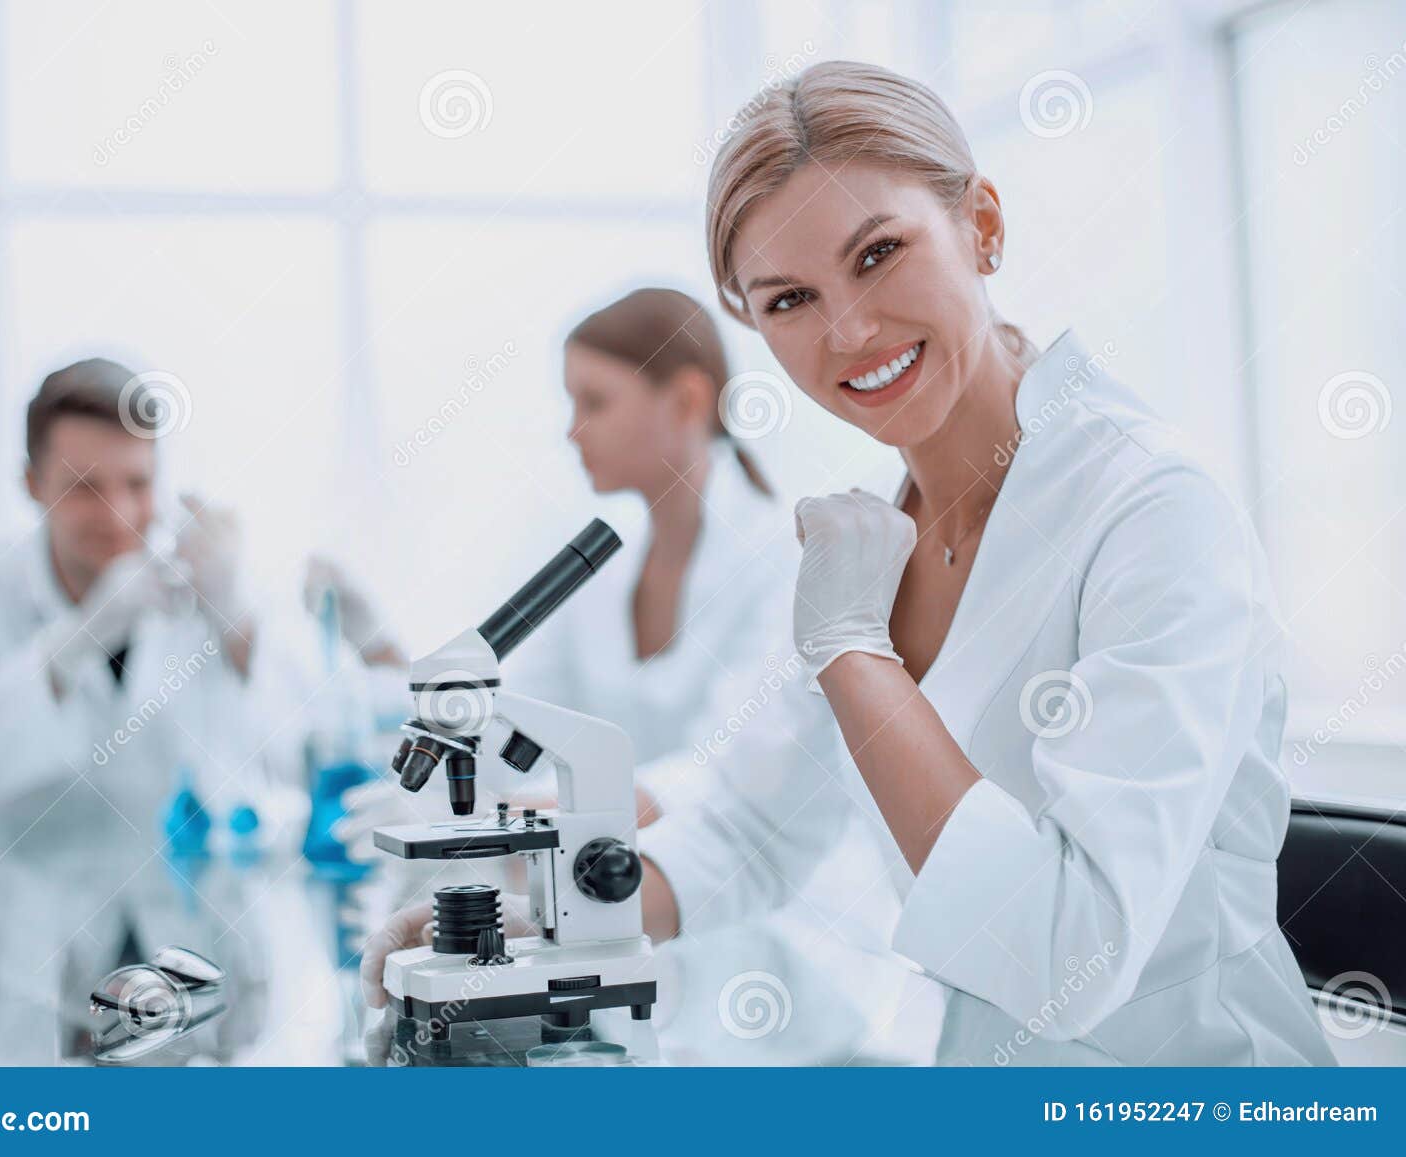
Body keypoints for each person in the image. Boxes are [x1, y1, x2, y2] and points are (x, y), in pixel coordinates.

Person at [367, 62, 1335, 1066]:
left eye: (879, 252)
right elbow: (746, 828)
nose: (848, 332)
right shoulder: (872, 536)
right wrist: (529, 933)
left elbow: (1066, 953)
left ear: (983, 226)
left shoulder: (1149, 509)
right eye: (788, 299)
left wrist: (851, 652)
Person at [356, 289, 937, 1062]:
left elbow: (729, 777)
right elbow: (517, 722)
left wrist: (529, 818)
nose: (571, 429)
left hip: (782, 957)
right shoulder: (598, 564)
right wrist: (443, 785)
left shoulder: (785, 558)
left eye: (593, 400)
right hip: (646, 925)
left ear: (687, 399)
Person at [0, 358, 312, 848]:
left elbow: (300, 761)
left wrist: (238, 628)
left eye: (137, 484)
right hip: (26, 908)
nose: (118, 516)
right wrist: (69, 649)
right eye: (84, 488)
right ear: (32, 486)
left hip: (184, 907)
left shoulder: (200, 585)